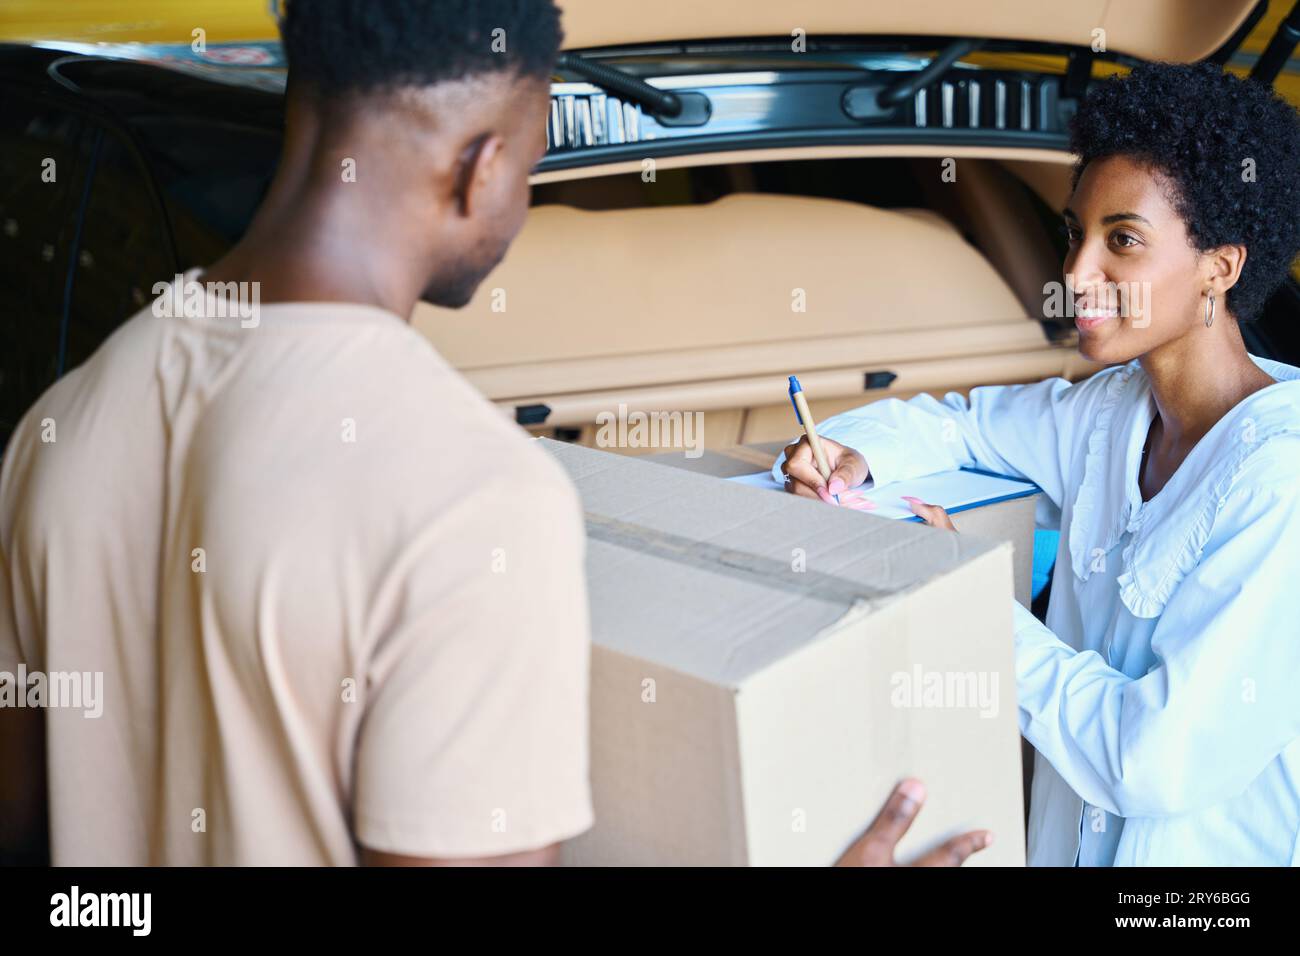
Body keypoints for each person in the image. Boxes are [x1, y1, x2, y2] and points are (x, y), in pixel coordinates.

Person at [0, 0, 986, 867]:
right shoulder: (473, 500)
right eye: (532, 163)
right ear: (480, 166)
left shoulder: (62, 422)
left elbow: (22, 827)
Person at [780, 62, 1300, 866]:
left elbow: (1150, 763)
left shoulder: (1281, 481)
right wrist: (852, 454)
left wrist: (970, 603)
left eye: (1121, 241)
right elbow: (961, 430)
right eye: (1074, 235)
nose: (1075, 275)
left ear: (1219, 268)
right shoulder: (1109, 411)